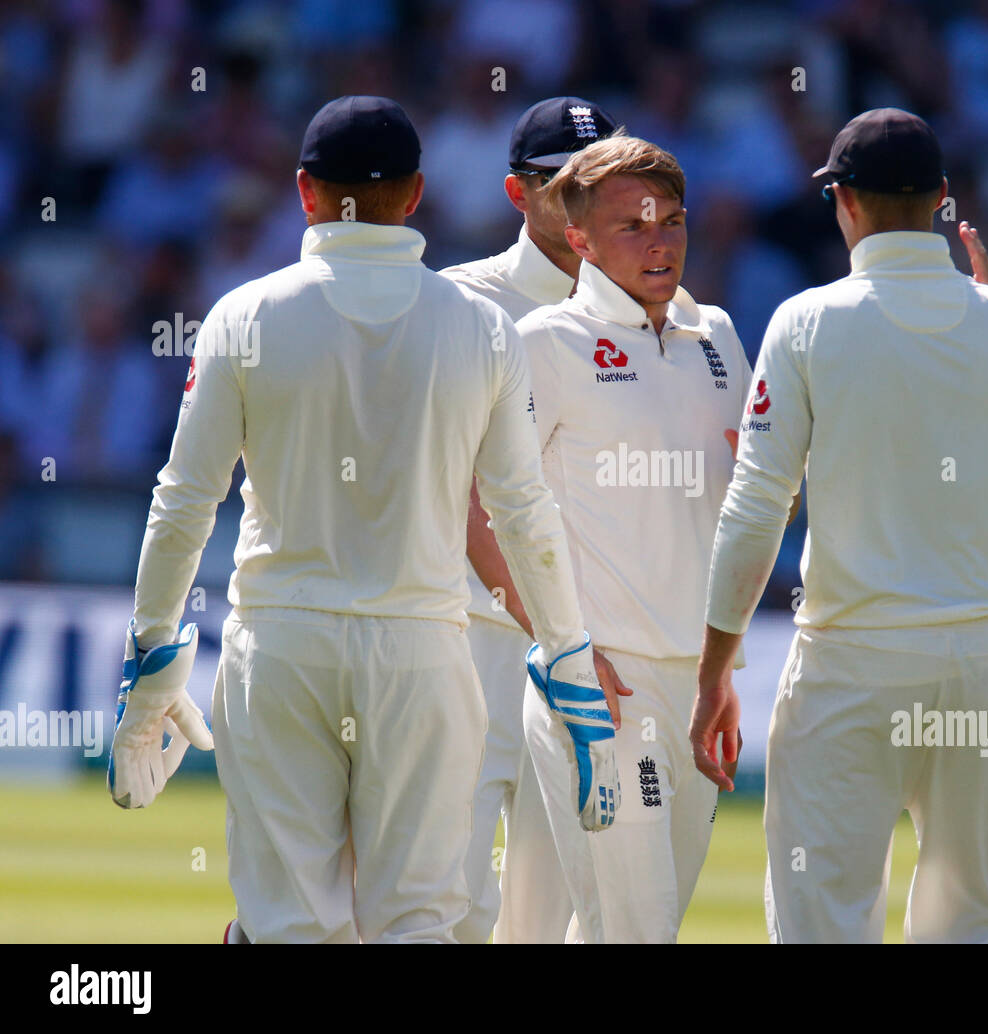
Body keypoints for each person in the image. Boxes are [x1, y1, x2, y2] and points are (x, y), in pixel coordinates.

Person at [107, 95, 615, 944]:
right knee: (417, 921)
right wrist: (571, 661)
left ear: (304, 193)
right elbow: (523, 511)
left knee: (289, 924)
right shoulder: (483, 327)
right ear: (416, 194)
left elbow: (184, 499)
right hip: (421, 649)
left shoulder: (245, 315)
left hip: (282, 644)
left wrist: (152, 656)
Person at [690, 108, 988, 944]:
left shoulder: (806, 321)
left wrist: (714, 672)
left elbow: (757, 507)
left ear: (845, 203)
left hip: (852, 666)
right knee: (978, 928)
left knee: (822, 922)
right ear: (941, 200)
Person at [485, 134, 753, 943]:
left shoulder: (718, 339)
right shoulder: (544, 342)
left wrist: (721, 670)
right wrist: (564, 649)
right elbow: (488, 506)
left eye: (672, 219)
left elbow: (746, 505)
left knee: (626, 929)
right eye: (633, 225)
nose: (660, 240)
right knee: (634, 934)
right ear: (579, 239)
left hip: (693, 685)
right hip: (603, 692)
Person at [438, 96, 621, 946]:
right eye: (565, 184)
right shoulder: (459, 302)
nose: (591, 200)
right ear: (519, 192)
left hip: (594, 649)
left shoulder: (657, 307)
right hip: (471, 640)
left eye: (606, 177)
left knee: (553, 918)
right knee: (452, 900)